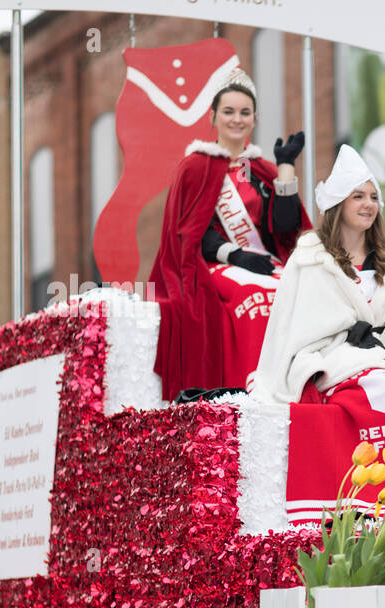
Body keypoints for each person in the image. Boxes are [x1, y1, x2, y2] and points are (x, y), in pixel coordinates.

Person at [249, 144, 385, 521]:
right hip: (335, 359)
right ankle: (373, 501)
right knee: (381, 392)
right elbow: (296, 326)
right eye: (358, 196)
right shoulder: (311, 258)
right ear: (339, 204)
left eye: (374, 196)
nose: (368, 204)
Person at [149, 67, 313, 401]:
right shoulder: (194, 166)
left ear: (254, 119)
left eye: (244, 113)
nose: (236, 119)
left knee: (300, 294)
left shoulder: (263, 170)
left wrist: (285, 169)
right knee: (257, 299)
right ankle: (250, 389)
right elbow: (188, 233)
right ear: (213, 117)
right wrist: (234, 254)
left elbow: (284, 229)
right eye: (228, 112)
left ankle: (300, 390)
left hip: (265, 263)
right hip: (216, 265)